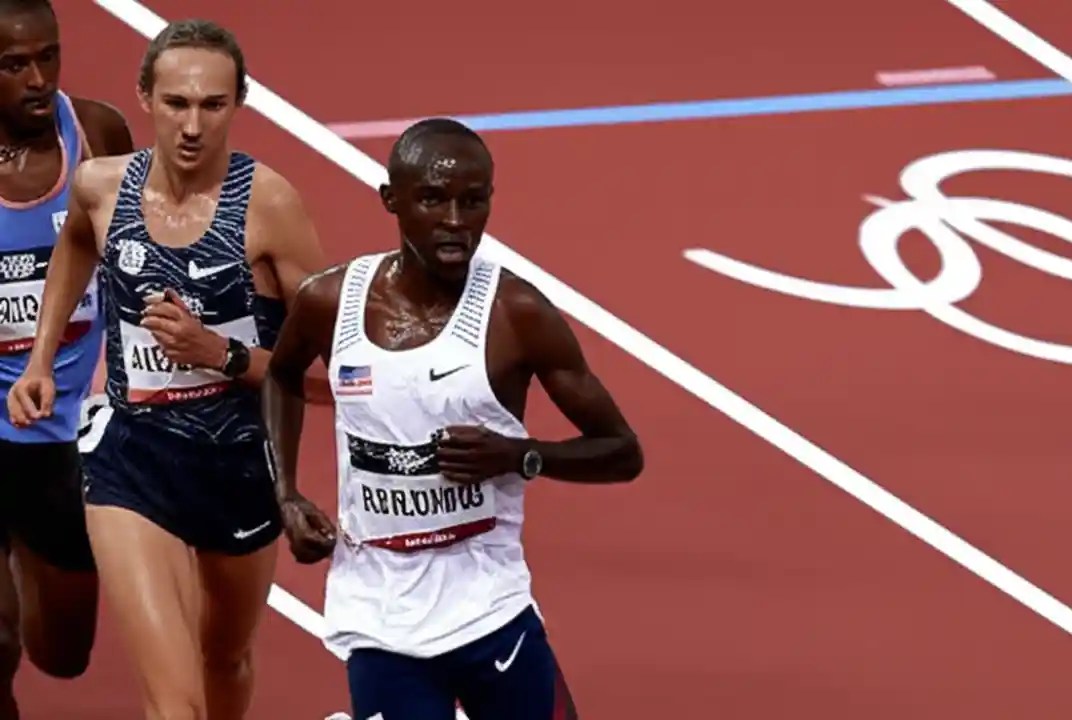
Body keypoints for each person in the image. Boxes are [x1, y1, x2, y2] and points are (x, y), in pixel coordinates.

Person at [262, 117, 643, 719]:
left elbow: (622, 451)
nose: (456, 221)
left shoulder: (516, 314)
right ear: (391, 200)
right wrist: (286, 493)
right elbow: (281, 376)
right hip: (380, 616)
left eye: (474, 200)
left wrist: (519, 455)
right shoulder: (329, 301)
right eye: (434, 199)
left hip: (490, 607)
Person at [6, 17, 327, 720]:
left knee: (226, 659)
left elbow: (335, 378)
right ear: (145, 96)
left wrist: (222, 354)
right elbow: (76, 245)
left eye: (213, 105)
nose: (192, 126)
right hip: (132, 466)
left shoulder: (269, 209)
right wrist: (41, 360)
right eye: (176, 103)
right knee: (174, 706)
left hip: (238, 470)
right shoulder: (100, 185)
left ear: (238, 103)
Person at [0, 0, 133, 714]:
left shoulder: (99, 135)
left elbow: (139, 262)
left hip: (65, 437)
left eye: (47, 56)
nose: (38, 78)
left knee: (62, 654)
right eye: (13, 64)